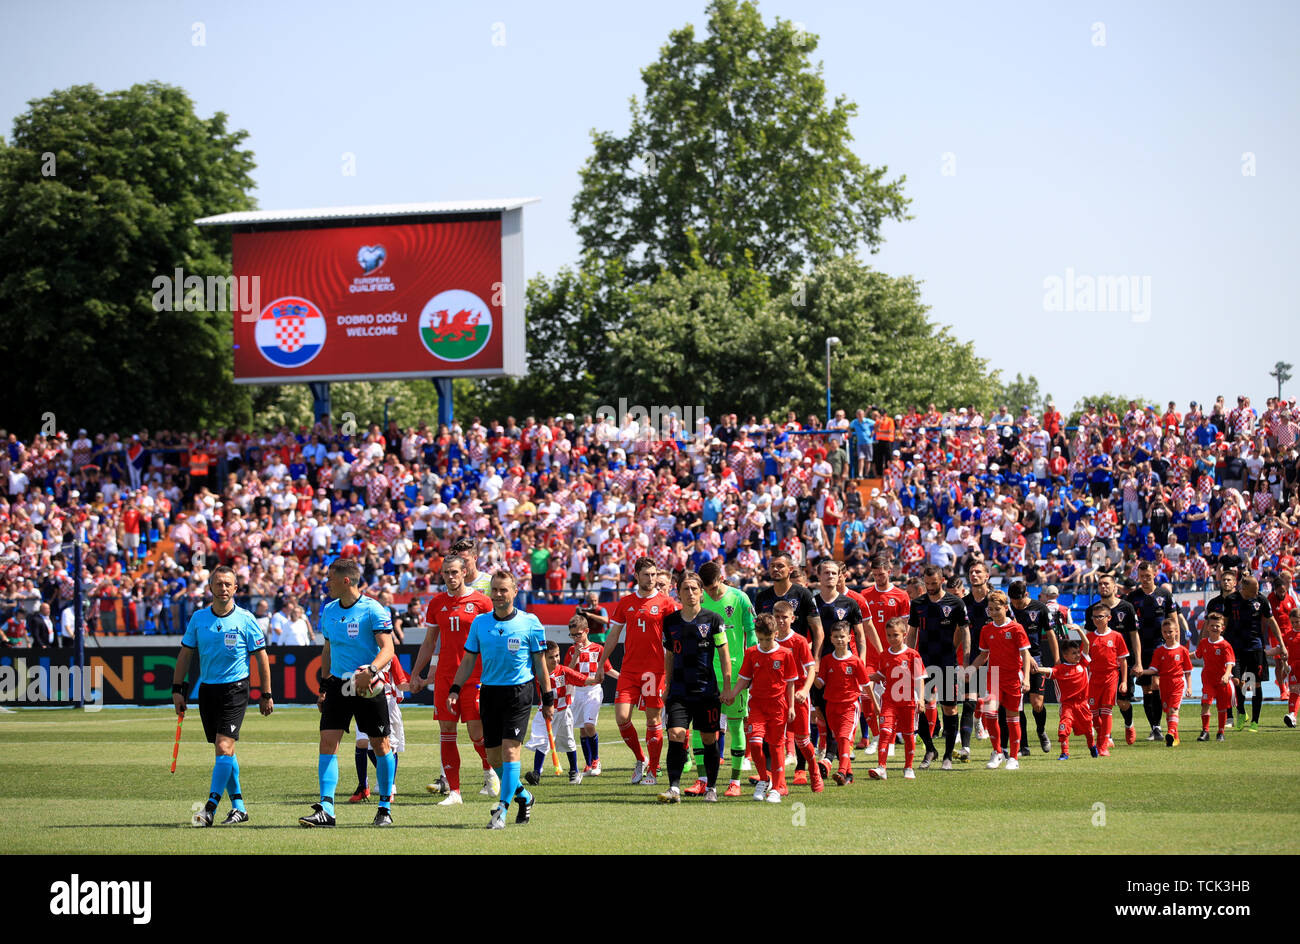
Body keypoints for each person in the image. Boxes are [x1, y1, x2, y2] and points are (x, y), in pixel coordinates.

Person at [446, 570, 552, 829]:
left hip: (519, 693)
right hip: (490, 692)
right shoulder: (480, 623)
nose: (498, 594)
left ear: (515, 592)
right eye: (495, 589)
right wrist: (455, 688)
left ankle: (501, 810)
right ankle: (524, 796)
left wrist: (548, 698)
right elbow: (468, 660)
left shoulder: (530, 622)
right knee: (493, 757)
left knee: (510, 751)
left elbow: (541, 665)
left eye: (504, 589)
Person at [298, 558, 396, 828]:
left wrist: (371, 671)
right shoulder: (329, 610)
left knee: (381, 745)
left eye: (330, 579)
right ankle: (326, 809)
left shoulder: (372, 609)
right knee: (327, 742)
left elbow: (388, 649)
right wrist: (323, 686)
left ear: (346, 581)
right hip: (338, 686)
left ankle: (385, 808)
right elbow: (327, 649)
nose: (326, 584)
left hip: (367, 686)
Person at [172, 566, 273, 827]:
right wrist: (177, 690)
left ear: (236, 588)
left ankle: (210, 808)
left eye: (228, 584)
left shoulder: (246, 619)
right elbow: (185, 654)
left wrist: (266, 693)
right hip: (208, 690)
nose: (223, 588)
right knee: (224, 751)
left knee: (224, 746)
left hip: (235, 689)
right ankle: (239, 807)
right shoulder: (198, 618)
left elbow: (261, 657)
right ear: (210, 588)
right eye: (219, 583)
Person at [410, 555, 496, 806]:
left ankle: (489, 769)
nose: (450, 576)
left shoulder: (482, 602)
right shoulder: (436, 603)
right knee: (447, 731)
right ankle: (455, 792)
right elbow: (429, 642)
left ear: (464, 572)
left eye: (454, 572)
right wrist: (416, 673)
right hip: (446, 676)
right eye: (446, 572)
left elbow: (492, 638)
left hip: (475, 676)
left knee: (476, 733)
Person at [597, 557, 674, 785]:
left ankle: (653, 769)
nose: (651, 579)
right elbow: (613, 635)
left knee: (653, 720)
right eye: (646, 575)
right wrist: (601, 663)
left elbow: (673, 638)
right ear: (636, 576)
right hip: (629, 670)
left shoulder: (666, 603)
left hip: (654, 670)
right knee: (622, 718)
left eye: (653, 574)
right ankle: (641, 759)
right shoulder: (626, 602)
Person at [658, 572, 729, 803]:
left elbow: (724, 655)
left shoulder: (714, 619)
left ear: (701, 592)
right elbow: (669, 655)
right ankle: (674, 788)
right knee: (676, 734)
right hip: (679, 690)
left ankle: (711, 788)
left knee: (709, 738)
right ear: (678, 592)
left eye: (694, 589)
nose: (690, 593)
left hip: (706, 691)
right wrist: (667, 685)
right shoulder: (670, 622)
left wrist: (727, 686)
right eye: (685, 589)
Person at [697, 560, 756, 797]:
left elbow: (751, 634)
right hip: (705, 674)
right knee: (701, 727)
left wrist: (751, 668)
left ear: (721, 579)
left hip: (735, 674)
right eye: (706, 589)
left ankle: (735, 782)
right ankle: (702, 780)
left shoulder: (740, 598)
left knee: (735, 725)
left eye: (713, 588)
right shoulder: (700, 599)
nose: (710, 593)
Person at [724, 613, 797, 801]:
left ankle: (778, 789)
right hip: (756, 705)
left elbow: (790, 682)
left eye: (768, 639)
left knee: (776, 747)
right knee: (755, 744)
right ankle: (765, 779)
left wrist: (791, 707)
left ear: (776, 634)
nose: (764, 643)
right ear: (756, 635)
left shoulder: (785, 654)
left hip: (778, 706)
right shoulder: (751, 653)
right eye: (761, 639)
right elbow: (744, 679)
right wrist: (732, 694)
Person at [907, 565, 969, 770]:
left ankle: (948, 756)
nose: (930, 587)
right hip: (923, 663)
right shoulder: (918, 604)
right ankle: (930, 749)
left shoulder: (955, 603)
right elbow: (912, 632)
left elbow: (965, 631)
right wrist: (907, 658)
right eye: (927, 583)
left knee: (949, 708)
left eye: (934, 583)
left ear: (942, 581)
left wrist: (966, 659)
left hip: (947, 662)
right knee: (919, 706)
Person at [970, 591, 1031, 770]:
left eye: (997, 609)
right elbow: (984, 655)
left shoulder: (1016, 628)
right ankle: (997, 752)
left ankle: (1013, 758)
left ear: (1005, 608)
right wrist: (970, 670)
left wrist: (1026, 678)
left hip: (1013, 677)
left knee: (1012, 718)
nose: (994, 612)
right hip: (994, 677)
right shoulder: (986, 629)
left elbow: (1025, 655)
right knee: (990, 713)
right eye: (991, 609)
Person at [771, 600, 823, 792]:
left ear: (792, 618)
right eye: (777, 617)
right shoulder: (769, 640)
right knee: (776, 740)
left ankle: (814, 770)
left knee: (802, 739)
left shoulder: (799, 641)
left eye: (784, 617)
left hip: (798, 694)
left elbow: (811, 669)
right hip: (777, 696)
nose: (780, 621)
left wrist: (805, 690)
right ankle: (779, 783)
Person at [523, 641, 589, 786]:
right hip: (545, 713)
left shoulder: (563, 671)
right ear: (543, 659)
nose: (555, 659)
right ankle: (536, 773)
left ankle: (574, 771)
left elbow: (577, 677)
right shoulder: (540, 675)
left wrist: (594, 679)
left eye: (557, 656)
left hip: (564, 712)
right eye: (551, 657)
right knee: (542, 742)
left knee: (568, 741)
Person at [869, 616, 924, 780]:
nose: (892, 638)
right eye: (889, 635)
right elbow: (881, 675)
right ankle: (881, 767)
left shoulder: (912, 655)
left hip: (908, 701)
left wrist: (921, 699)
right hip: (889, 701)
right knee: (885, 731)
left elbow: (920, 679)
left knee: (908, 735)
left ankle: (908, 767)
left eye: (895, 635)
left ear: (904, 634)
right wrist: (864, 677)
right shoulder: (884, 655)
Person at [1007, 580, 1057, 756]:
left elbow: (1050, 634)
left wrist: (1057, 660)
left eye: (1019, 601)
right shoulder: (1007, 611)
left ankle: (1041, 730)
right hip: (1014, 660)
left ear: (1026, 595)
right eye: (1013, 601)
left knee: (1037, 703)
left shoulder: (1040, 608)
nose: (1016, 605)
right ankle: (1023, 746)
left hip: (1035, 657)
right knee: (1017, 704)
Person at [1128, 561, 1176, 742]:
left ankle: (1159, 725)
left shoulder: (1164, 594)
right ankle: (1155, 727)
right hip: (1141, 647)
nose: (1145, 579)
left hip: (1160, 646)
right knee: (1146, 688)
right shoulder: (1133, 597)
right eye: (1142, 577)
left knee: (1156, 684)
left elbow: (1173, 620)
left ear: (1155, 574)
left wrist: (1176, 644)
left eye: (1148, 576)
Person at [351, 659, 409, 802]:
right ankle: (363, 787)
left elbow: (401, 682)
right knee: (362, 742)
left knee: (387, 745)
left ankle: (389, 787)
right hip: (362, 698)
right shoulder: (360, 652)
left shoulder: (389, 655)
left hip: (386, 702)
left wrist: (415, 685)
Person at [1227, 575, 1279, 732]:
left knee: (1255, 684)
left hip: (1255, 648)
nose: (1257, 592)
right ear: (1244, 589)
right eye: (1254, 590)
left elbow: (1271, 621)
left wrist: (1281, 644)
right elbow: (1225, 622)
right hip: (1236, 648)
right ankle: (1242, 712)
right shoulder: (1231, 600)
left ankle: (1255, 721)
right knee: (1237, 681)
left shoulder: (1261, 600)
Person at [1031, 638, 1098, 760]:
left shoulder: (1082, 664)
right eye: (1074, 653)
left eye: (1078, 652)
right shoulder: (1060, 669)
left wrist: (1078, 630)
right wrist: (1037, 669)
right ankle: (1064, 752)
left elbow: (1087, 644)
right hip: (1067, 705)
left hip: (1082, 704)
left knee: (1088, 728)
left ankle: (1092, 746)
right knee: (1064, 728)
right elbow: (1049, 670)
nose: (1077, 655)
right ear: (1065, 655)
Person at [567, 613, 617, 775]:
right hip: (577, 692)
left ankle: (596, 760)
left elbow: (608, 669)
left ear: (586, 631)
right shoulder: (571, 650)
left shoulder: (598, 649)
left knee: (589, 725)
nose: (575, 638)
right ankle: (588, 764)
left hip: (593, 691)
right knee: (582, 729)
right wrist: (575, 655)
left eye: (578, 634)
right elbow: (567, 672)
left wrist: (624, 679)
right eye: (572, 635)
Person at [1095, 573, 1140, 743]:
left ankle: (1129, 724)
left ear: (1115, 587)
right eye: (1100, 584)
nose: (1103, 587)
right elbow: (1090, 638)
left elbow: (1134, 635)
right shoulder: (1094, 610)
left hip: (1123, 663)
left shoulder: (1127, 608)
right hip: (1101, 665)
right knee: (1102, 703)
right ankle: (1107, 736)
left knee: (1122, 701)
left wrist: (1138, 662)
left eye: (1106, 584)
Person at [1136, 617, 1194, 746]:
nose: (1168, 634)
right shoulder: (1159, 651)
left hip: (1178, 683)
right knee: (1168, 711)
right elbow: (1153, 669)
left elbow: (1188, 671)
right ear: (1162, 632)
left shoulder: (1183, 650)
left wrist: (1189, 687)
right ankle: (1175, 738)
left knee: (1173, 709)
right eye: (1165, 632)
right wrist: (1142, 672)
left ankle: (1171, 732)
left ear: (1176, 631)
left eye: (1170, 631)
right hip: (1164, 683)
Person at [1084, 605, 1129, 756]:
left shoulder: (1116, 636)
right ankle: (1103, 737)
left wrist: (1124, 681)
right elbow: (1083, 660)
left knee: (1106, 710)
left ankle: (1103, 745)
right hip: (1094, 678)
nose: (1097, 619)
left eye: (1100, 616)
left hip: (1111, 677)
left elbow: (1123, 661)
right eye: (1095, 617)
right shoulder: (1089, 638)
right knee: (1093, 714)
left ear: (1109, 618)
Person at [1195, 612, 1236, 741]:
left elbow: (1230, 663)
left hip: (1222, 682)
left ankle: (1220, 732)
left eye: (1217, 626)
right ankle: (1205, 731)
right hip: (1208, 681)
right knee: (1205, 704)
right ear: (1207, 627)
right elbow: (1197, 655)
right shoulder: (1203, 643)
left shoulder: (1225, 645)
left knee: (1222, 708)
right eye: (1212, 625)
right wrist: (1182, 654)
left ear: (1222, 628)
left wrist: (1226, 675)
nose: (1214, 628)